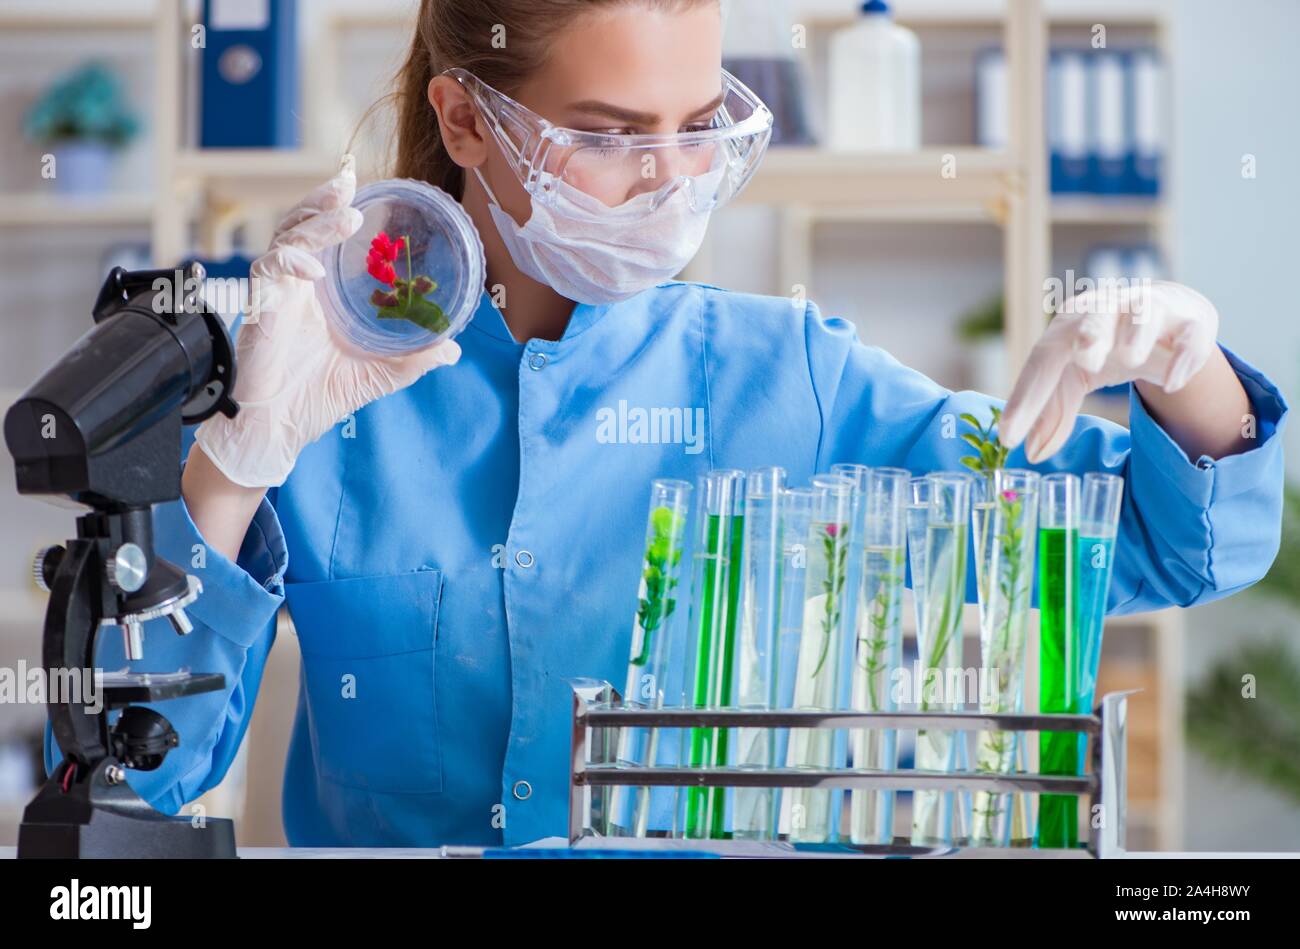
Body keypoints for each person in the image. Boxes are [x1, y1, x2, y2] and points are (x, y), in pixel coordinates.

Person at [49, 0, 1286, 848]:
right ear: (471, 121)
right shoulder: (324, 384)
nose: (671, 180)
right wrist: (233, 466)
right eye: (609, 135)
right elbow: (135, 785)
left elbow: (1166, 549)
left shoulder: (791, 376)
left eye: (698, 127)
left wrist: (1184, 369)